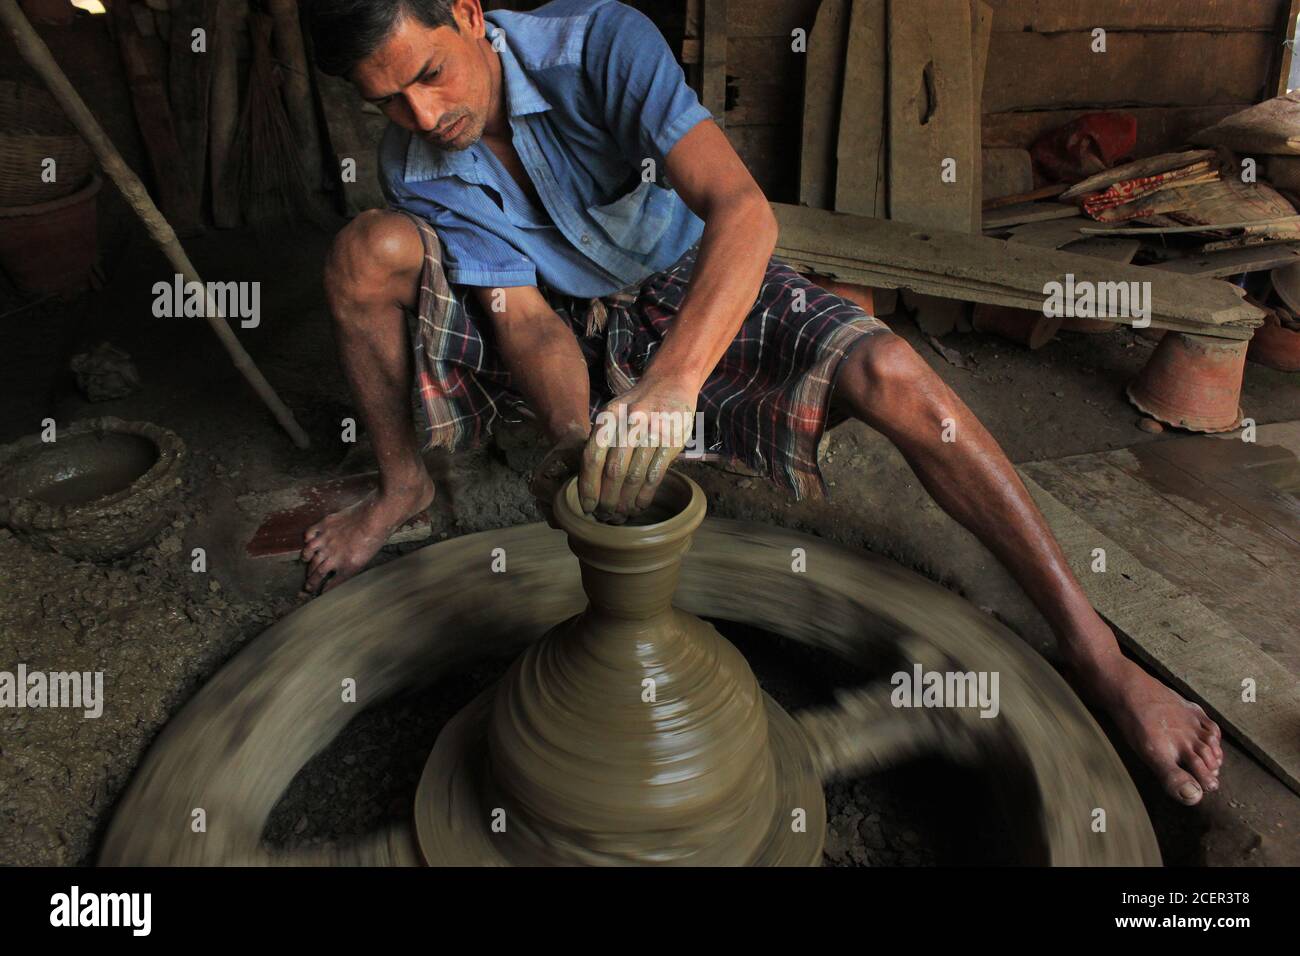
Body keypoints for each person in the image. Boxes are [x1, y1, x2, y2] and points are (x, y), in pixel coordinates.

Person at [302, 0, 1222, 806]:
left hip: (688, 276)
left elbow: (744, 213)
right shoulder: (418, 165)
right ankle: (402, 487)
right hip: (563, 312)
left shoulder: (599, 45)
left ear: (467, 11)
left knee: (894, 376)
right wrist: (585, 445)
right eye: (384, 100)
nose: (421, 115)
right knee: (368, 250)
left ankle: (1099, 658)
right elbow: (527, 321)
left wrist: (672, 380)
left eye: (427, 74)